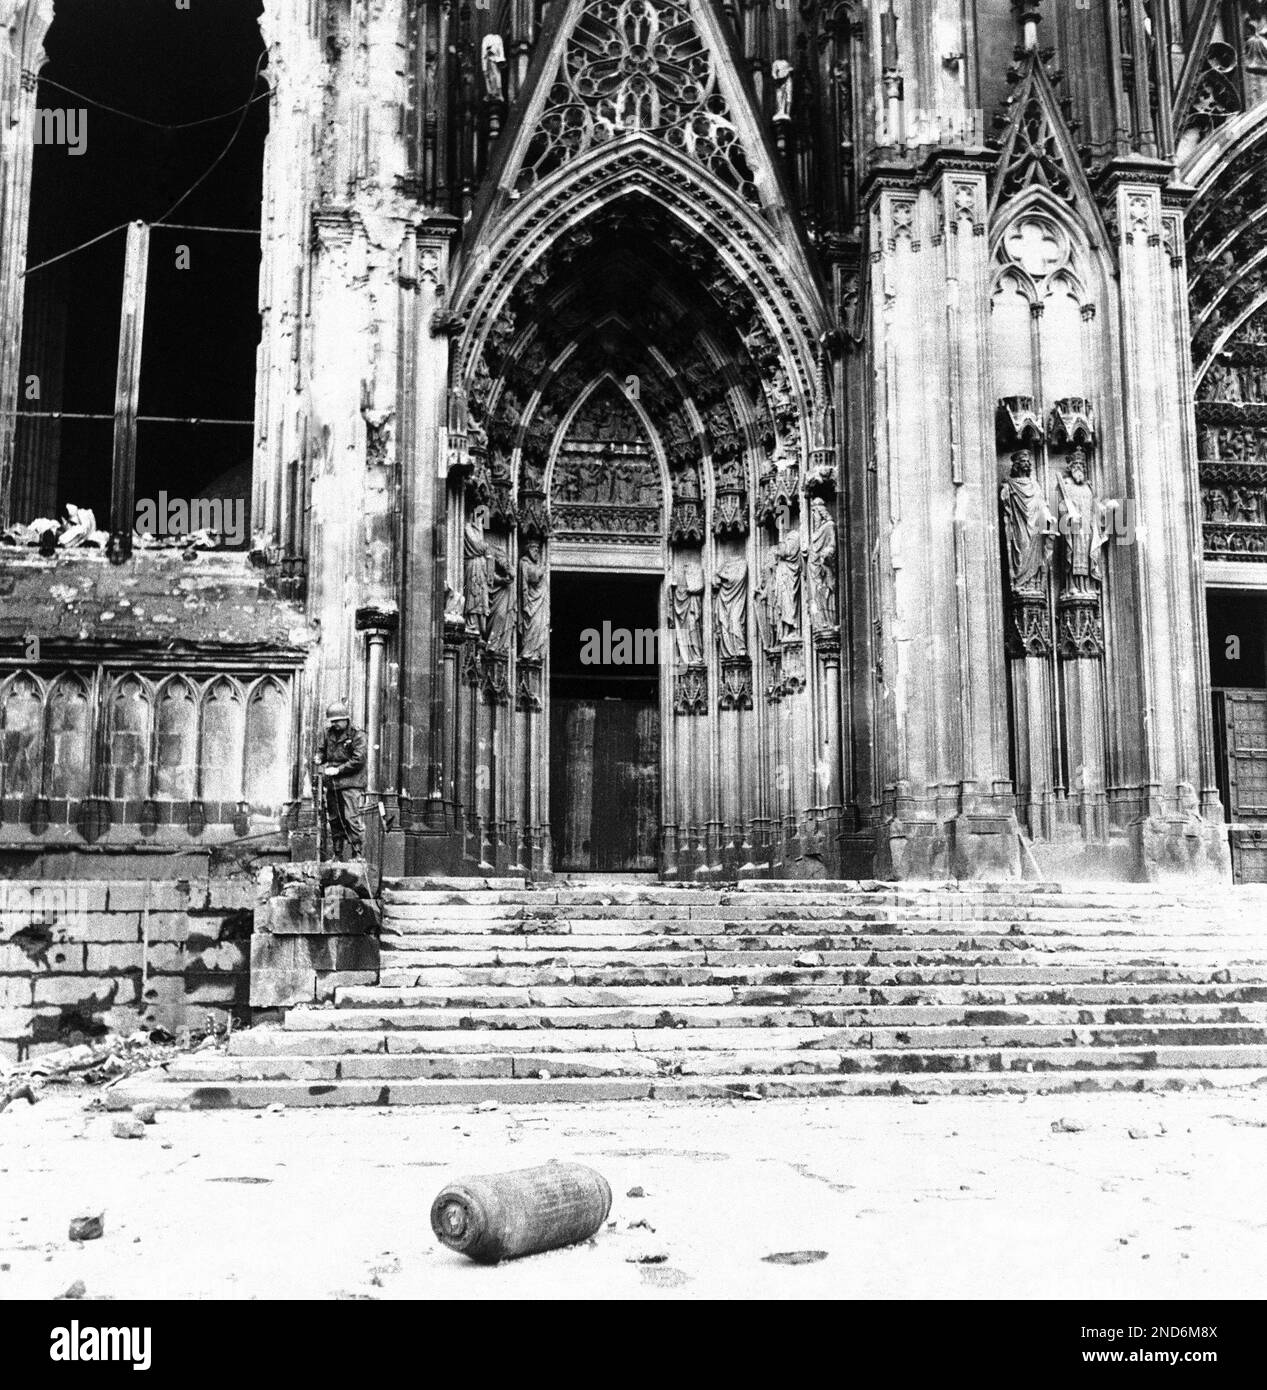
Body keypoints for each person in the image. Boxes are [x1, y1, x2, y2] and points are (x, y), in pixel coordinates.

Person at [315, 701, 367, 860]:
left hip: (351, 783)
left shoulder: (357, 735)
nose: (335, 724)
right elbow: (322, 751)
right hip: (333, 784)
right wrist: (319, 757)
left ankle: (357, 854)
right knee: (335, 820)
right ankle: (337, 855)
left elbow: (359, 760)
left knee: (351, 818)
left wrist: (338, 770)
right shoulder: (327, 733)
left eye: (337, 721)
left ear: (346, 719)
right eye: (332, 721)